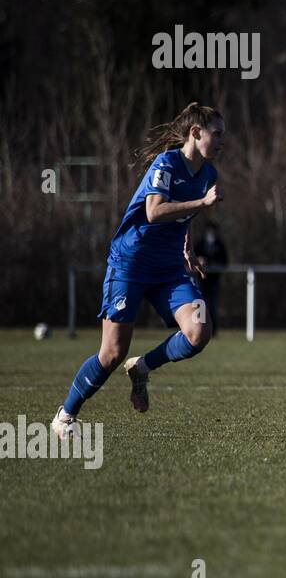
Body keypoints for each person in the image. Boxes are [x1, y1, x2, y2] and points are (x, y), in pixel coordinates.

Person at [52, 103, 225, 439]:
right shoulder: (166, 164)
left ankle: (143, 367)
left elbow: (183, 216)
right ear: (196, 133)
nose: (222, 141)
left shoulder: (208, 173)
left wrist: (186, 246)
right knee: (113, 352)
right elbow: (154, 211)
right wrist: (202, 204)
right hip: (130, 264)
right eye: (217, 134)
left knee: (200, 329)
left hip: (170, 269)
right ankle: (65, 416)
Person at [195, 222, 228, 336]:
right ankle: (200, 329)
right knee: (201, 304)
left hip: (214, 280)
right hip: (200, 279)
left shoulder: (220, 245)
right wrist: (198, 261)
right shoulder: (199, 244)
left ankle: (213, 330)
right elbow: (191, 258)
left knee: (213, 305)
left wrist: (215, 264)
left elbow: (225, 262)